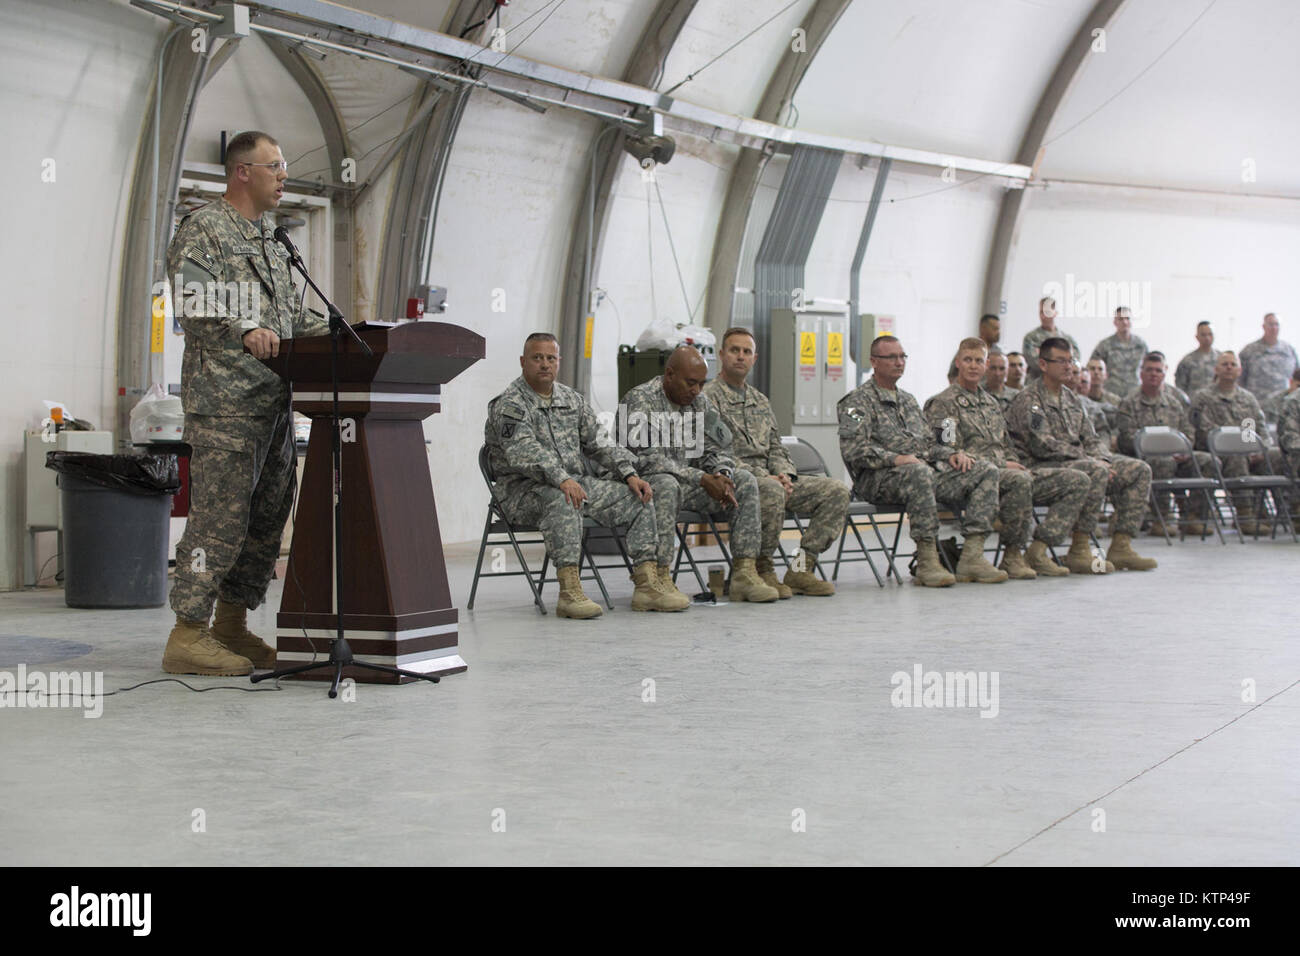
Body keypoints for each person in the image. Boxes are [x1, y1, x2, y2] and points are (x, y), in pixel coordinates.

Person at [163, 130, 331, 676]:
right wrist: (243, 329)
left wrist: (348, 332)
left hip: (274, 405)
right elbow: (192, 302)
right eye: (275, 165)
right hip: (225, 408)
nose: (284, 175)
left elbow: (290, 319)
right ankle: (188, 633)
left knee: (264, 521)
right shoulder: (203, 230)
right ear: (242, 172)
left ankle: (230, 626)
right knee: (218, 522)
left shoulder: (273, 239)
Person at [485, 333, 683, 618]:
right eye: (537, 358)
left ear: (559, 362)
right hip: (520, 492)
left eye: (550, 358)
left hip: (574, 484)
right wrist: (561, 478)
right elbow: (523, 452)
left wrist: (629, 474)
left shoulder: (571, 400)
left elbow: (600, 442)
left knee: (638, 498)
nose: (544, 364)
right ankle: (569, 592)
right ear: (522, 361)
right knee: (563, 497)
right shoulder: (511, 404)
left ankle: (647, 585)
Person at [837, 335, 1007, 587]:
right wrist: (896, 459)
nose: (898, 362)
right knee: (919, 472)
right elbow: (854, 450)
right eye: (891, 357)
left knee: (985, 470)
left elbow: (929, 443)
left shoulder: (908, 400)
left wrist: (950, 454)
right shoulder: (855, 402)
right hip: (878, 479)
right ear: (874, 361)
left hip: (921, 472)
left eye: (902, 356)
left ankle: (972, 556)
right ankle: (928, 559)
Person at [620, 347, 779, 603]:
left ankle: (744, 574)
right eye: (691, 383)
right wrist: (702, 479)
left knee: (745, 481)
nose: (696, 391)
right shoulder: (639, 400)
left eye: (702, 384)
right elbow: (645, 460)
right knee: (665, 484)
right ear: (669, 374)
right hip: (645, 487)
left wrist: (721, 473)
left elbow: (720, 446)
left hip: (689, 483)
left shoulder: (700, 403)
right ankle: (659, 577)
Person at [925, 339, 1089, 579]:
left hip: (1005, 472)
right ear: (958, 363)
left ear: (986, 365)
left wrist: (1013, 461)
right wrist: (1003, 464)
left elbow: (1007, 444)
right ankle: (982, 557)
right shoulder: (945, 403)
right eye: (968, 360)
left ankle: (1036, 551)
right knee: (1016, 479)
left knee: (1077, 480)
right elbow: (947, 449)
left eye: (979, 361)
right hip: (966, 476)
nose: (973, 366)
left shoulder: (991, 403)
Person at [703, 328, 849, 597]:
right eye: (734, 350)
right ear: (722, 355)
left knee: (836, 490)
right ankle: (761, 568)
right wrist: (765, 477)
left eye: (747, 352)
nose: (740, 357)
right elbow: (712, 453)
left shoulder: (760, 401)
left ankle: (801, 569)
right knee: (770, 489)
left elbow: (776, 447)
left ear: (754, 359)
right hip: (734, 482)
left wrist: (784, 474)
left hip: (773, 480)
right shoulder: (708, 398)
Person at [1005, 338, 1158, 573]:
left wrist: (1104, 458)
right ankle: (1075, 548)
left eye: (1071, 361)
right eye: (1061, 361)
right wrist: (1091, 461)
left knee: (1139, 470)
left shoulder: (1071, 399)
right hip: (1039, 466)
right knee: (1094, 470)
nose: (1068, 367)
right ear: (1044, 365)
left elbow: (1092, 438)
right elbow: (1043, 445)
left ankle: (1121, 546)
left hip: (1078, 461)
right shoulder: (1030, 400)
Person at [1116, 353, 1213, 535]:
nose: (1154, 374)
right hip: (1144, 458)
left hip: (1179, 456)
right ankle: (1161, 518)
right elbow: (1127, 438)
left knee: (1209, 461)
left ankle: (1192, 517)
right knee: (1163, 462)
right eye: (1149, 370)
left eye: (1158, 370)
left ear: (1164, 373)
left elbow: (1188, 431)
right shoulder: (1129, 403)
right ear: (1141, 373)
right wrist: (1160, 451)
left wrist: (1185, 450)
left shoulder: (1174, 403)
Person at [1190, 351, 1284, 535]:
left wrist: (1261, 449)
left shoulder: (1247, 399)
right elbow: (1204, 430)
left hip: (1249, 451)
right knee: (1237, 457)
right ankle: (1244, 515)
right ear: (1216, 369)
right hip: (1216, 451)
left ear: (1240, 370)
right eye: (1224, 364)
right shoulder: (1203, 397)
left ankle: (1287, 509)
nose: (1229, 368)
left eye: (1233, 364)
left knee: (1280, 456)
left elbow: (1258, 428)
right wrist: (1240, 448)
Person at [1090, 306, 1148, 398]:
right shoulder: (1105, 345)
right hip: (1111, 394)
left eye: (1127, 318)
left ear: (1131, 321)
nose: (1124, 322)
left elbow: (1148, 369)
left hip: (1135, 395)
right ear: (1115, 322)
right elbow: (1092, 367)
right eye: (1120, 319)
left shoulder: (1141, 345)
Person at [1239, 313, 1299, 399]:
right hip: (1257, 402)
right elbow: (1239, 378)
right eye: (1271, 324)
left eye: (1277, 325)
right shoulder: (1249, 350)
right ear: (1263, 326)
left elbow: (1296, 378)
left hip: (1284, 404)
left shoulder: (1289, 351)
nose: (1274, 328)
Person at [1023, 296, 1081, 381]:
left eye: (1047, 312)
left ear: (1055, 313)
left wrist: (1044, 355)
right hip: (1036, 383)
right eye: (1041, 312)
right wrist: (1059, 363)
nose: (1043, 316)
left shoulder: (1067, 339)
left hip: (1062, 383)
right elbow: (1034, 362)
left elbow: (1075, 361)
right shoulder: (1031, 338)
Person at [1175, 321, 1220, 396]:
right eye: (1203, 335)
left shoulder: (1222, 360)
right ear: (1197, 337)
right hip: (1195, 404)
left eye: (1210, 334)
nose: (1207, 338)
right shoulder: (1187, 361)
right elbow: (1180, 388)